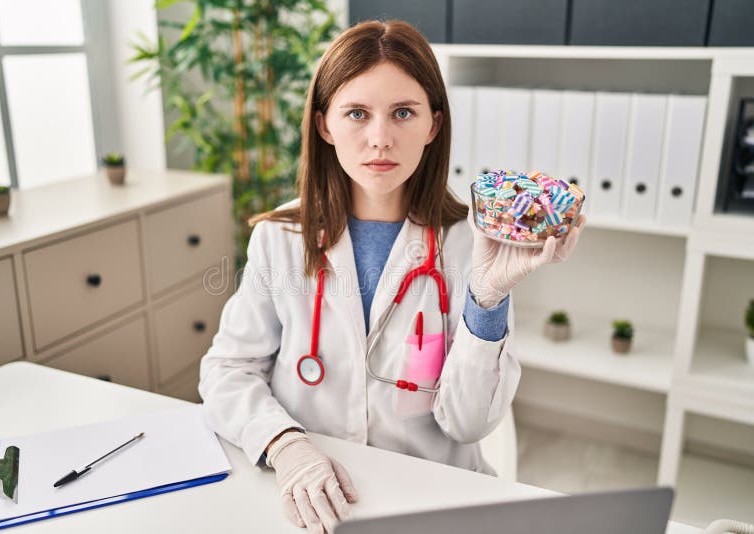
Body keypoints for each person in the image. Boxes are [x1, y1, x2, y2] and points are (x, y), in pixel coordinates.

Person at [199, 19, 585, 534]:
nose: (380, 139)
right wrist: (284, 444)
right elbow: (228, 370)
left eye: (403, 112)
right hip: (315, 499)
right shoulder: (280, 237)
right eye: (357, 113)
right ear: (324, 125)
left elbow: (467, 424)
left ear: (433, 126)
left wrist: (487, 299)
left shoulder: (474, 244)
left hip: (431, 502)